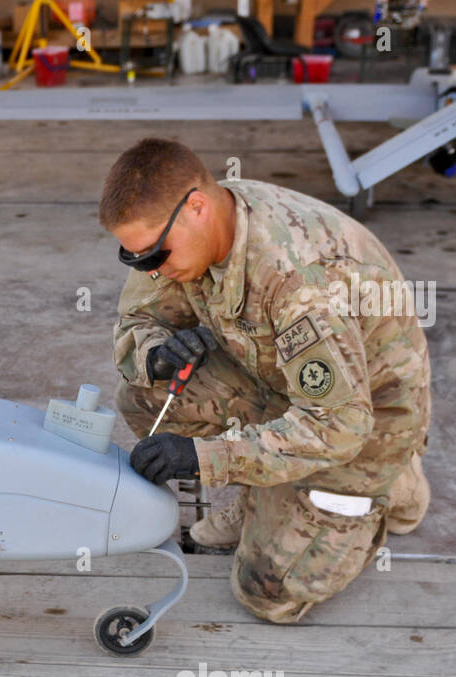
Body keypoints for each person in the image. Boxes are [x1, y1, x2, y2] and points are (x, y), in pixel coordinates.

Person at [100, 137, 431, 623]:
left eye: (154, 256)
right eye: (136, 260)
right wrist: (158, 354)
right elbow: (136, 320)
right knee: (143, 397)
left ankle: (389, 489)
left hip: (364, 429)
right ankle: (270, 494)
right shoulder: (192, 230)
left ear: (196, 207)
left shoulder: (299, 277)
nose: (152, 269)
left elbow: (339, 425)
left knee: (268, 592)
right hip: (284, 389)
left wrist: (204, 458)